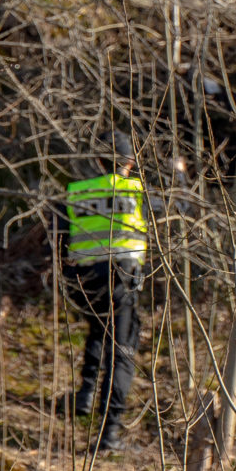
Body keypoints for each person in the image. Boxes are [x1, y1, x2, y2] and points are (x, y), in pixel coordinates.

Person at [61, 132, 149, 452]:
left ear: (97, 161)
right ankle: (109, 433)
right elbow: (179, 205)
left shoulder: (77, 191)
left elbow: (62, 239)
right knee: (122, 351)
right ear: (129, 163)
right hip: (121, 279)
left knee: (97, 331)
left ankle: (85, 396)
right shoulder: (137, 190)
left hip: (85, 280)